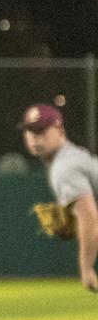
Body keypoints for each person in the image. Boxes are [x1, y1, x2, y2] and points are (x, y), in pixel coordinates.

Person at [20, 101, 98, 293]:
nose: (35, 139)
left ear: (59, 129)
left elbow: (89, 218)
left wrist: (86, 268)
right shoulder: (73, 156)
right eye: (30, 132)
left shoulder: (64, 167)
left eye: (41, 131)